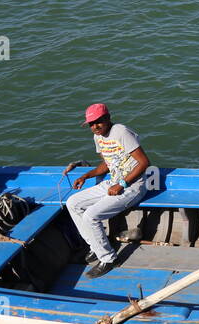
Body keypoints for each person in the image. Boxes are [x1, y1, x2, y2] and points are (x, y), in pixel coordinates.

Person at [64, 103, 151, 279]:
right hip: (112, 183)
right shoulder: (98, 137)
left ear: (108, 118)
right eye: (91, 124)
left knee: (91, 216)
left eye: (98, 122)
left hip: (133, 186)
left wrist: (121, 185)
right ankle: (96, 248)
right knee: (72, 203)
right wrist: (86, 176)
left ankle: (108, 258)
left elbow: (144, 162)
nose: (95, 127)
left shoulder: (121, 132)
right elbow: (107, 164)